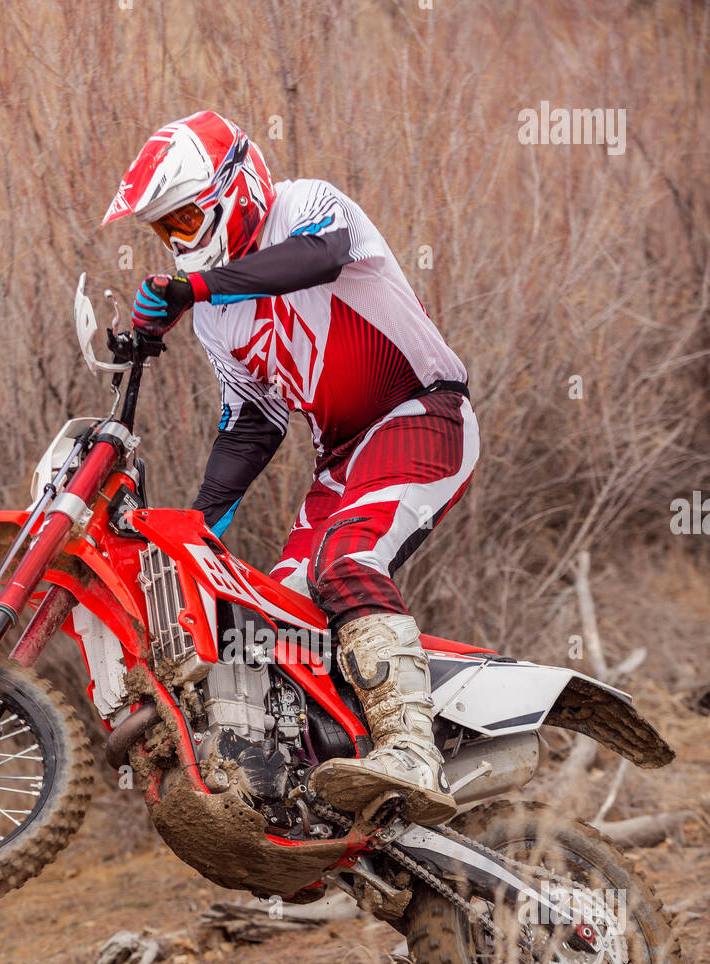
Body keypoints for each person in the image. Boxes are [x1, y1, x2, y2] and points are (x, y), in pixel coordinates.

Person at [102, 111, 480, 825]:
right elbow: (252, 423)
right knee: (266, 620)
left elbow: (318, 260)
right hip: (340, 462)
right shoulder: (217, 318)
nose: (180, 241)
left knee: (346, 561)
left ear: (235, 187)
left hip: (422, 418)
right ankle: (299, 788)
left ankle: (409, 751)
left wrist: (194, 289)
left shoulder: (305, 204)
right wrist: (201, 522)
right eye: (165, 230)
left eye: (185, 219)